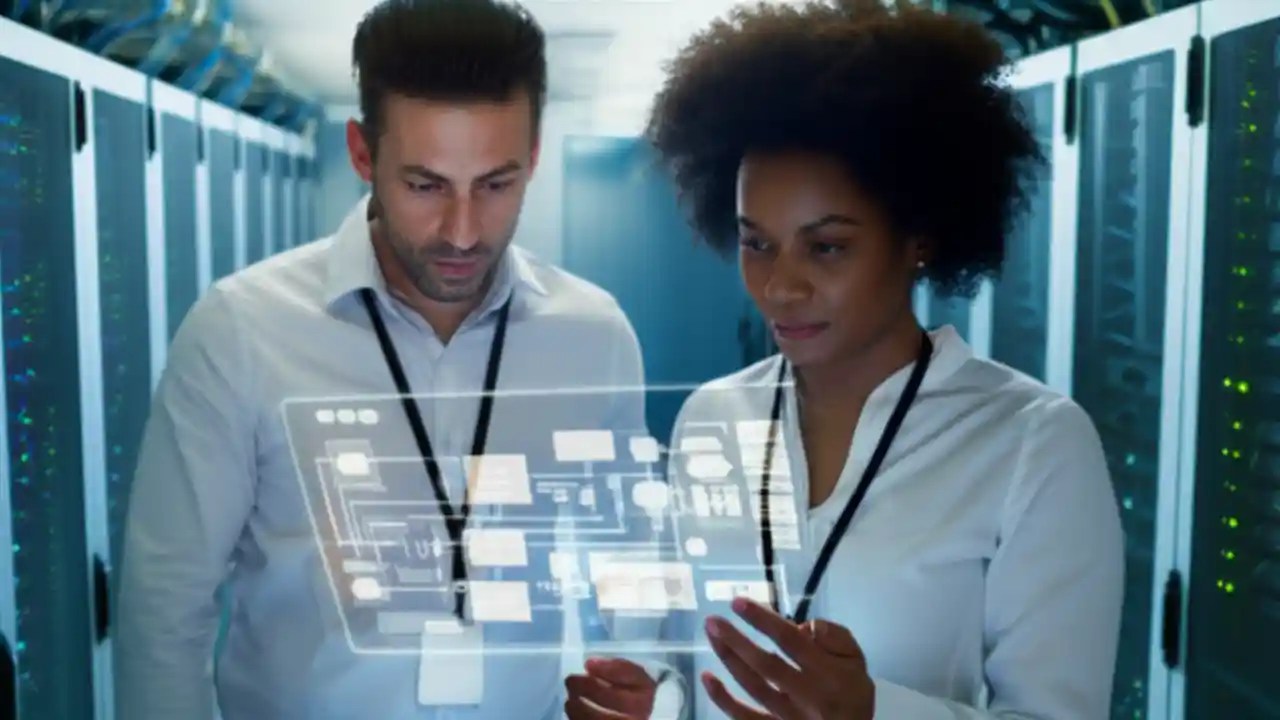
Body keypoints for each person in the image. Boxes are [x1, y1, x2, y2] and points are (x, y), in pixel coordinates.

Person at [564, 1, 1124, 718]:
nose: (780, 285)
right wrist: (651, 702)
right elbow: (671, 659)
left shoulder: (1032, 443)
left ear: (918, 235)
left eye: (826, 246)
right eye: (756, 242)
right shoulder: (714, 417)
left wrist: (872, 711)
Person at [115, 1, 660, 718]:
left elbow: (635, 558)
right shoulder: (242, 331)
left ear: (532, 158)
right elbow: (165, 606)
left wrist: (651, 675)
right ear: (362, 154)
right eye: (425, 185)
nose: (462, 232)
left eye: (496, 185)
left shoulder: (594, 337)